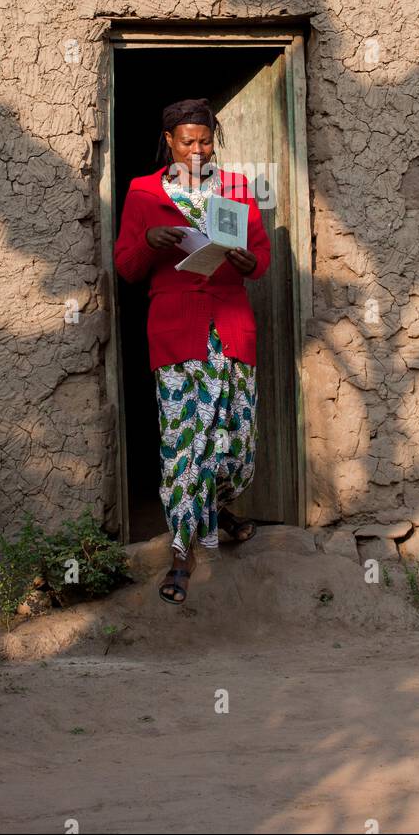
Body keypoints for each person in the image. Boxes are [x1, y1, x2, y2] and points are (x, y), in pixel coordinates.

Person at [113, 96, 271, 604]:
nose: (198, 150)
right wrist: (150, 242)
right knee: (186, 443)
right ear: (169, 142)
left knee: (236, 444)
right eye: (187, 142)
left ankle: (218, 509)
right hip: (177, 332)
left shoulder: (235, 189)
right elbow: (126, 267)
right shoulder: (141, 193)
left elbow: (262, 258)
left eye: (205, 141)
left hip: (230, 329)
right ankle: (182, 555)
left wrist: (247, 261)